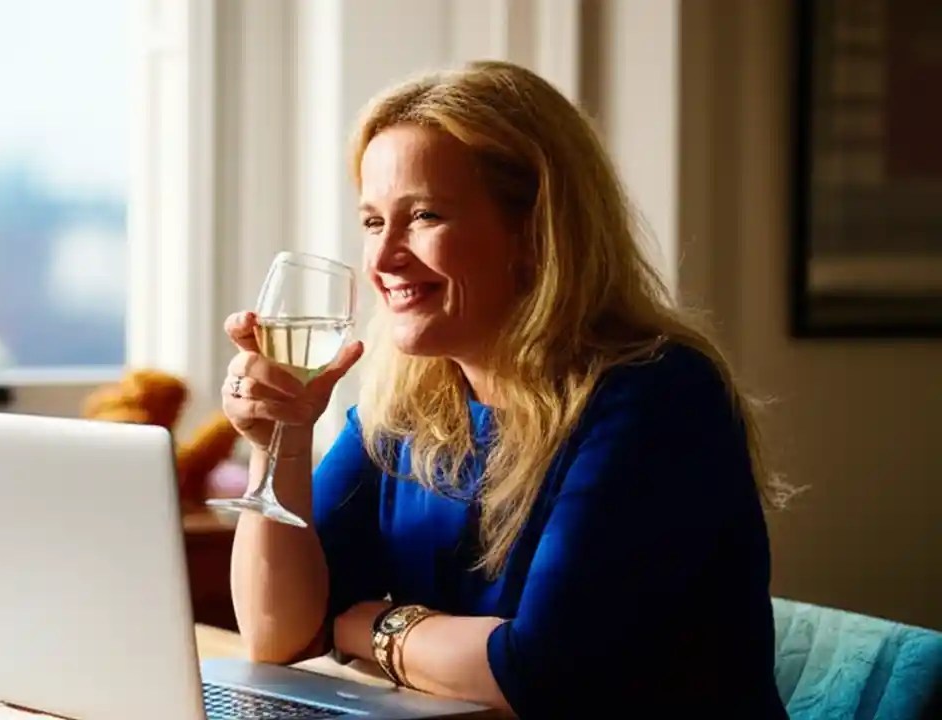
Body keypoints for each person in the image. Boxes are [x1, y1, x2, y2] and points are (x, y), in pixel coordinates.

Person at [220, 61, 792, 718]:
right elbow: (278, 634)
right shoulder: (408, 403)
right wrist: (277, 442)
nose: (381, 261)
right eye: (374, 222)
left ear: (535, 230)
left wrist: (369, 625)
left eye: (424, 215)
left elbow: (536, 673)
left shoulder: (656, 398)